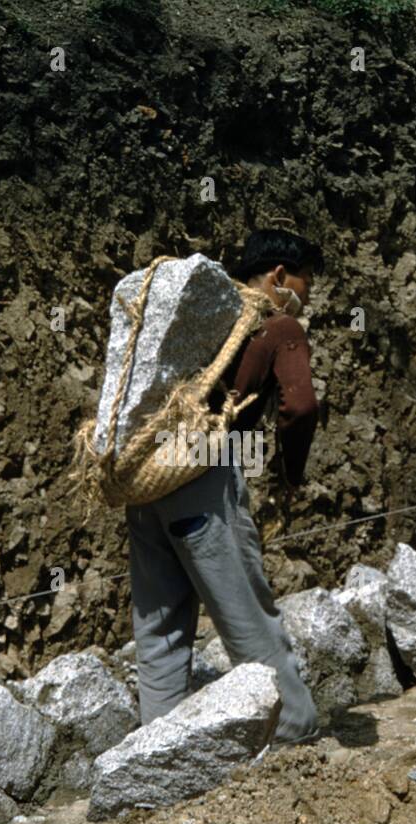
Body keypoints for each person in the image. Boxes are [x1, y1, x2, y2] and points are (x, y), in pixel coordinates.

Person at [124, 230, 324, 745]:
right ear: (279, 276)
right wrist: (292, 474)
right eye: (306, 283)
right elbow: (300, 406)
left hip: (150, 480)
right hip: (206, 480)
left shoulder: (202, 321)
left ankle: (157, 754)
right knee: (247, 619)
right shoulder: (277, 325)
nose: (308, 297)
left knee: (160, 633)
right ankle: (293, 736)